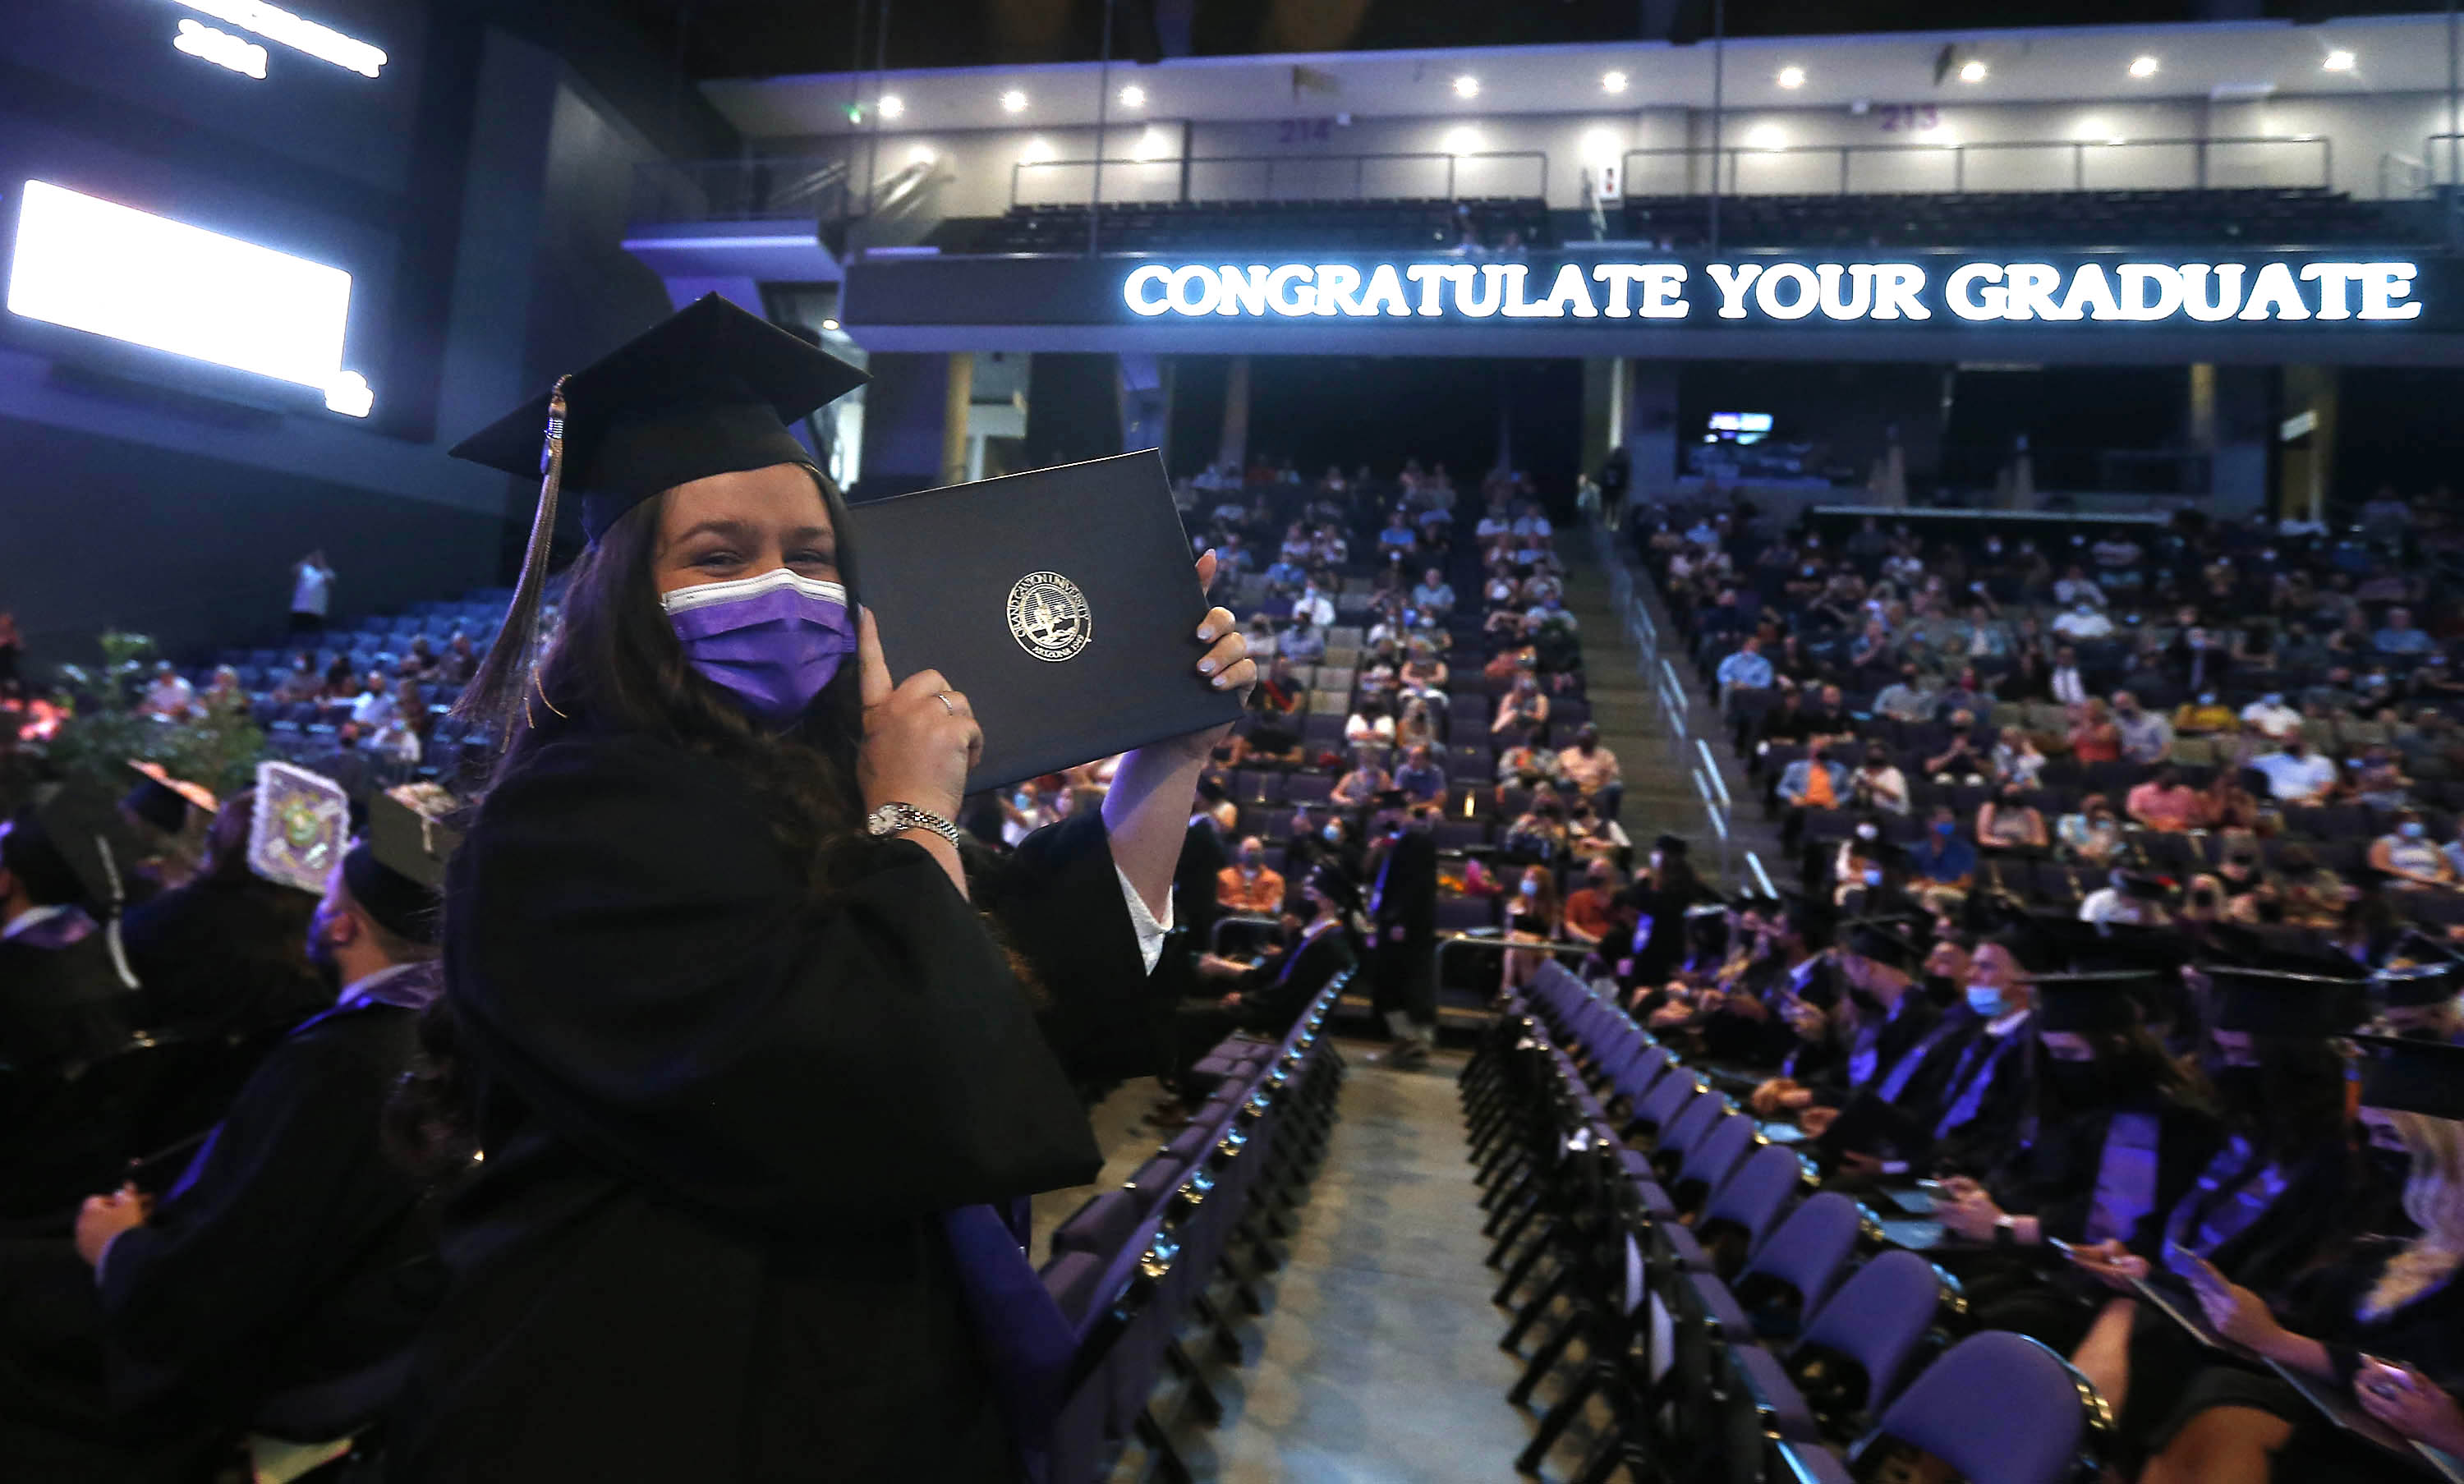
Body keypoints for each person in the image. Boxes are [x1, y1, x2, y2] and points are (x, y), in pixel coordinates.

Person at [384, 296, 1255, 1480]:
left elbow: (1037, 988)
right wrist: (912, 814)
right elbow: (911, 1073)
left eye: (813, 555)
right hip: (652, 1399)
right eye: (719, 553)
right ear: (626, 586)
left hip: (854, 1376)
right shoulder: (579, 822)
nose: (782, 587)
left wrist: (1172, 746)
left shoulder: (812, 787)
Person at [0, 792, 454, 1477]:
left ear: (341, 926)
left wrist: (119, 1247)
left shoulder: (343, 1061)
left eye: (327, 896)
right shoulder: (435, 1043)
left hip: (199, 1361)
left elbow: (216, 1282)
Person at [1190, 866, 1358, 1041]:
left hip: (1276, 1020)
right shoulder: (1320, 934)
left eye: (1309, 894)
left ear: (1327, 902)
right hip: (1275, 1010)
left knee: (1188, 1019)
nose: (1303, 900)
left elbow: (1289, 992)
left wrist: (1245, 999)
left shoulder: (1325, 944)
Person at [1363, 792, 1440, 1068]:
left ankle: (1414, 1040)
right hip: (1395, 922)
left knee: (1405, 981)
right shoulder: (1400, 841)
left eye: (1383, 813)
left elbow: (1415, 888)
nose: (1381, 819)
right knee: (1390, 981)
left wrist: (1399, 922)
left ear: (1394, 812)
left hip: (1407, 927)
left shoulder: (1416, 841)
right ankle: (1402, 1040)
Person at [2370, 808, 2458, 890]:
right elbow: (2380, 865)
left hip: (2433, 884)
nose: (2414, 824)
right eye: (2409, 822)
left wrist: (2438, 879)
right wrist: (2415, 877)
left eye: (2417, 822)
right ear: (2397, 825)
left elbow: (2446, 868)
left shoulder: (2430, 843)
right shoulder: (2385, 842)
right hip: (2402, 884)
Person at [1556, 724, 1621, 820]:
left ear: (1596, 740)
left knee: (1616, 786)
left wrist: (1602, 784)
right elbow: (1555, 773)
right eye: (1582, 738)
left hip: (1597, 790)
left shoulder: (1606, 755)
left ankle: (1611, 820)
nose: (1585, 740)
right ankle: (1565, 818)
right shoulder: (1566, 754)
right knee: (1562, 783)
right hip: (1575, 789)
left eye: (1588, 738)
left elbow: (1614, 775)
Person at [2252, 733, 2339, 805]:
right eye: (2286, 739)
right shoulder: (2272, 760)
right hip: (2277, 803)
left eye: (2294, 738)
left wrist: (2301, 799)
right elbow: (2242, 761)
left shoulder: (2322, 762)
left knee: (2314, 805)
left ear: (2305, 741)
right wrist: (2248, 740)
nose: (2289, 741)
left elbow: (2325, 790)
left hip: (2308, 802)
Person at [1215, 834, 1285, 916]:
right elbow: (1215, 901)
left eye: (1257, 851)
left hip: (1260, 923)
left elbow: (1275, 909)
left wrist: (1249, 909)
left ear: (1263, 853)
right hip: (1227, 919)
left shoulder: (1275, 879)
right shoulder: (1223, 876)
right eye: (1249, 850)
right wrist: (1233, 907)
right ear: (1239, 852)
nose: (1253, 854)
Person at [2126, 766, 2206, 834]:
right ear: (2158, 778)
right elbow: (2134, 811)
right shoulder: (2140, 791)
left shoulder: (2186, 792)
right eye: (2166, 781)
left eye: (2171, 783)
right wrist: (2152, 821)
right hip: (2151, 829)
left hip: (2181, 830)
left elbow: (2197, 814)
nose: (2168, 784)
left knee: (2201, 832)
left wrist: (2181, 823)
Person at [289, 550, 335, 635]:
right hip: (300, 609)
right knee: (297, 634)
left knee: (313, 635)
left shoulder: (327, 572)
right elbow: (294, 570)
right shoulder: (306, 569)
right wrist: (307, 560)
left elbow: (330, 579)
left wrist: (321, 563)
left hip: (316, 611)